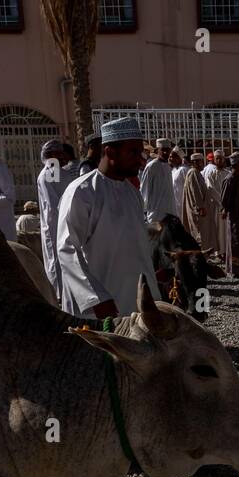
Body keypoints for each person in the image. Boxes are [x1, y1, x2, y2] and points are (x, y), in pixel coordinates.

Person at [56, 117, 162, 323]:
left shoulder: (132, 193)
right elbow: (68, 250)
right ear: (109, 151)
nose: (140, 159)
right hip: (97, 309)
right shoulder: (81, 192)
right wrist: (95, 298)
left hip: (136, 303)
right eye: (133, 152)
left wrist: (155, 283)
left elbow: (135, 245)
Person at [35, 139, 76, 299]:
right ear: (51, 155)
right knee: (55, 260)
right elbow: (52, 206)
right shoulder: (47, 175)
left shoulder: (61, 173)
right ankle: (58, 295)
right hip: (55, 226)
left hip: (68, 222)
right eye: (59, 153)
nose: (63, 156)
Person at [180, 152, 216, 258]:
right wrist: (200, 207)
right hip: (198, 211)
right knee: (199, 235)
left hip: (200, 209)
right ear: (195, 163)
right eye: (200, 162)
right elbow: (196, 192)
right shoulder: (193, 173)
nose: (202, 164)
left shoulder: (196, 173)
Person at [140, 137, 176, 224]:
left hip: (170, 212)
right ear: (157, 150)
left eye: (167, 150)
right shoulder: (151, 166)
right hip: (155, 214)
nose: (165, 152)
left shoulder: (168, 167)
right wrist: (143, 211)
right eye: (162, 150)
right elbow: (144, 190)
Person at [205, 149, 231, 266]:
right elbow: (211, 189)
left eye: (221, 158)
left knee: (226, 230)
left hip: (226, 207)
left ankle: (226, 251)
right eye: (217, 158)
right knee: (217, 229)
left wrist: (226, 205)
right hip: (216, 206)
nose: (219, 160)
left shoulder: (227, 173)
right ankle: (218, 252)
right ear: (214, 160)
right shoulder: (211, 173)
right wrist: (221, 204)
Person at [170, 149, 187, 214]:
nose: (171, 159)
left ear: (179, 158)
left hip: (182, 204)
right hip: (174, 204)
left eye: (173, 157)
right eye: (170, 157)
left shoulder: (184, 170)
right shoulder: (173, 170)